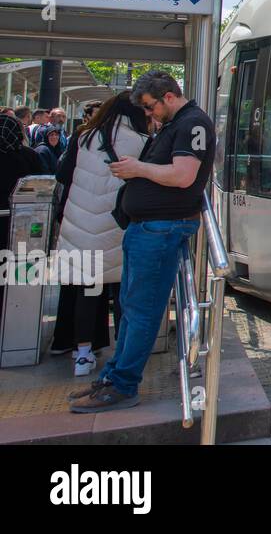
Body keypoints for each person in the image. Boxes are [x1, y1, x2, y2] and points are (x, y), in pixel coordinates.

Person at [69, 70, 215, 413]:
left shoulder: (193, 123)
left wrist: (137, 169)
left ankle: (123, 384)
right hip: (149, 228)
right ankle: (114, 376)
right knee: (132, 307)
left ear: (168, 96)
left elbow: (183, 176)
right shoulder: (174, 124)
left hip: (161, 230)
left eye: (151, 107)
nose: (148, 115)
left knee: (142, 310)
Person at [50, 93, 149, 376]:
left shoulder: (84, 137)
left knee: (88, 291)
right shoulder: (141, 141)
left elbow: (62, 175)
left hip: (81, 226)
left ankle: (82, 354)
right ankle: (124, 354)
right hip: (118, 228)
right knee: (122, 294)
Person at [0, 114, 44, 325]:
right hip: (21, 227)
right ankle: (19, 316)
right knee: (19, 273)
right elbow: (43, 184)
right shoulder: (28, 155)